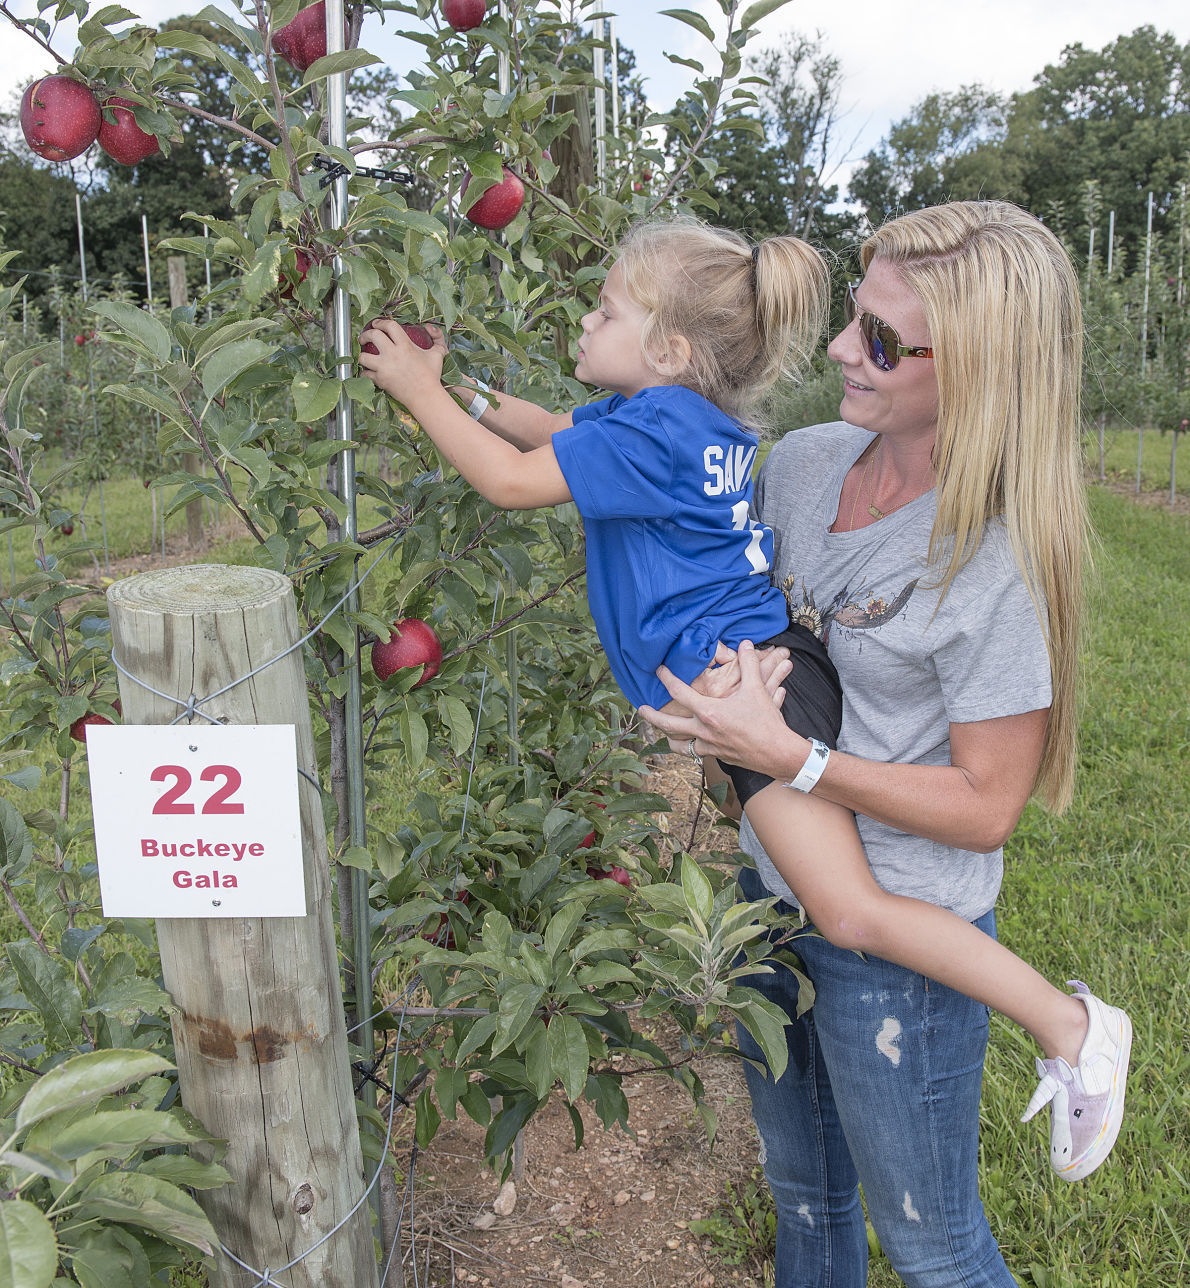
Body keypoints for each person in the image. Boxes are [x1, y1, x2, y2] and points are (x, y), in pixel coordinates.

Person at [360, 213, 1128, 1194]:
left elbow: (514, 479)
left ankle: (1071, 1027)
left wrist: (421, 393)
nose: (584, 321)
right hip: (754, 668)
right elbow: (552, 436)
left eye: (605, 308)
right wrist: (461, 388)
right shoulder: (669, 422)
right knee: (831, 949)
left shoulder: (659, 430)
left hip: (752, 684)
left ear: (670, 349)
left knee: (849, 911)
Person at [637, 201, 1115, 1288]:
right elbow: (761, 640)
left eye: (883, 338)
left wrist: (788, 762)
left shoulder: (995, 557)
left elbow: (983, 805)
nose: (843, 347)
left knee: (936, 1248)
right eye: (854, 309)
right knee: (804, 1199)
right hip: (772, 900)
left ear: (980, 366)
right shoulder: (798, 465)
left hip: (900, 937)